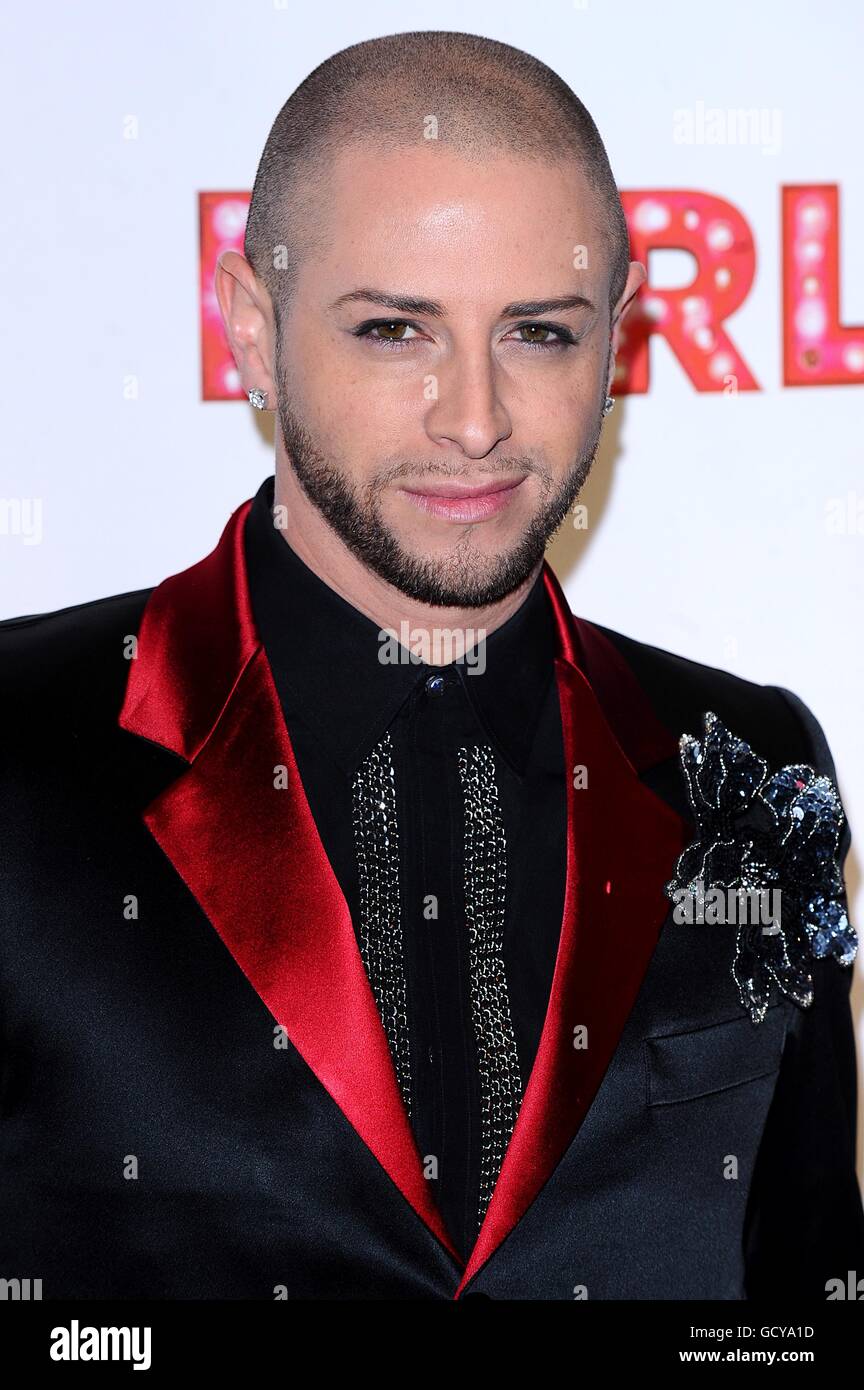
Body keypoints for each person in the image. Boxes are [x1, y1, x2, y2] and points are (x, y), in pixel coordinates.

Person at [1, 29, 862, 1301]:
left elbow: (801, 1284)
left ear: (618, 343)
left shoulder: (746, 763)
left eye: (540, 334)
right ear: (252, 328)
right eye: (397, 330)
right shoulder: (25, 742)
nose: (475, 419)